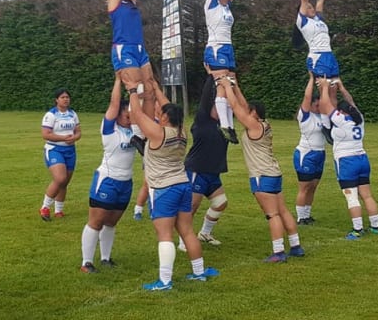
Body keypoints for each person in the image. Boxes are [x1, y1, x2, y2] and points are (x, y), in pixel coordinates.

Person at [128, 82, 219, 290]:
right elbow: (169, 108)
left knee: (165, 235)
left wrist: (133, 92)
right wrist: (157, 89)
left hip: (163, 189)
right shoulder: (182, 132)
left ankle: (165, 281)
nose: (159, 113)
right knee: (187, 231)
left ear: (166, 117)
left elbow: (138, 116)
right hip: (183, 185)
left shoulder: (158, 133)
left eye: (161, 113)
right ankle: (199, 272)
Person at [220, 77, 305, 262]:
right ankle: (296, 246)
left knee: (272, 214)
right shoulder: (263, 124)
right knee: (282, 210)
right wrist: (236, 87)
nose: (246, 113)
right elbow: (243, 106)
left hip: (262, 176)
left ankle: (279, 251)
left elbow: (236, 108)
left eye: (250, 112)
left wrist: (226, 87)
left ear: (254, 114)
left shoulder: (254, 125)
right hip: (273, 173)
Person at [80, 77, 137, 273]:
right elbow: (114, 104)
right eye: (126, 115)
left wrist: (137, 90)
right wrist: (118, 80)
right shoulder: (110, 129)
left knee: (112, 222)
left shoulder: (136, 131)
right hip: (107, 180)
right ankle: (86, 262)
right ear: (119, 115)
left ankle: (105, 258)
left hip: (126, 182)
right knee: (96, 222)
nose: (130, 118)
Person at [317, 77, 378, 240]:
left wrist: (324, 88)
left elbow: (325, 105)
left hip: (347, 162)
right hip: (362, 158)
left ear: (343, 112)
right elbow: (351, 102)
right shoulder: (359, 119)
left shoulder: (342, 120)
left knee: (351, 197)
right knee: (367, 195)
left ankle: (357, 230)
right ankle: (375, 226)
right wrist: (341, 87)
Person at [107, 0, 160, 124]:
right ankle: (136, 131)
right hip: (124, 49)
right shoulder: (114, 2)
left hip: (139, 49)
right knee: (135, 89)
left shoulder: (132, 3)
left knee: (149, 90)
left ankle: (145, 128)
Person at [176, 73, 229, 252]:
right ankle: (183, 240)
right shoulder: (203, 121)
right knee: (191, 207)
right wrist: (210, 77)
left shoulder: (224, 124)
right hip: (197, 170)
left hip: (213, 173)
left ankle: (205, 233)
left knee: (220, 203)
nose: (221, 109)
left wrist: (230, 83)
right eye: (217, 105)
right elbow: (206, 99)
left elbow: (231, 100)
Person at [204, 0, 246, 144]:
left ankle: (229, 125)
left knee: (231, 83)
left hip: (228, 48)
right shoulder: (211, 3)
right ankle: (224, 124)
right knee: (222, 85)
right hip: (216, 47)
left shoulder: (227, 7)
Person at [293, 0, 352, 99]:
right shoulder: (303, 22)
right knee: (323, 92)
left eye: (311, 6)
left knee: (334, 92)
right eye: (308, 7)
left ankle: (333, 119)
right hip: (318, 57)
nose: (312, 7)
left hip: (329, 55)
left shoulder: (318, 18)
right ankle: (324, 117)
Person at [39, 88, 81, 221]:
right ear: (56, 100)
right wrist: (63, 139)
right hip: (54, 149)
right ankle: (45, 207)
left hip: (70, 150)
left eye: (67, 97)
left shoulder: (73, 114)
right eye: (62, 97)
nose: (66, 99)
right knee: (60, 178)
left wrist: (74, 138)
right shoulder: (51, 115)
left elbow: (78, 132)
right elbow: (45, 134)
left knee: (65, 182)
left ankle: (59, 210)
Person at [293, 73, 328, 225]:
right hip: (306, 154)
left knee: (313, 186)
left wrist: (324, 86)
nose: (319, 107)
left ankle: (307, 215)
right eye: (316, 105)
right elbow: (307, 98)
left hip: (320, 153)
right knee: (304, 187)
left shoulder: (322, 116)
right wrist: (312, 79)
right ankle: (301, 218)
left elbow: (327, 101)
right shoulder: (305, 116)